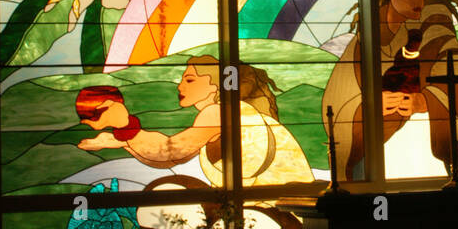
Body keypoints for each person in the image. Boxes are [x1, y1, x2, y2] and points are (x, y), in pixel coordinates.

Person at [321, 0, 458, 181]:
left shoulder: (429, 32)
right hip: (378, 150)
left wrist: (427, 101)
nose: (418, 1)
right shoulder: (361, 45)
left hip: (422, 139)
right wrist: (371, 105)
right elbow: (338, 101)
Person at [77, 56, 312, 188]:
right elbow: (168, 158)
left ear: (214, 86)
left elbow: (168, 150)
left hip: (276, 205)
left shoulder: (220, 113)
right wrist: (120, 139)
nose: (180, 86)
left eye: (189, 80)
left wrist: (123, 125)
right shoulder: (217, 116)